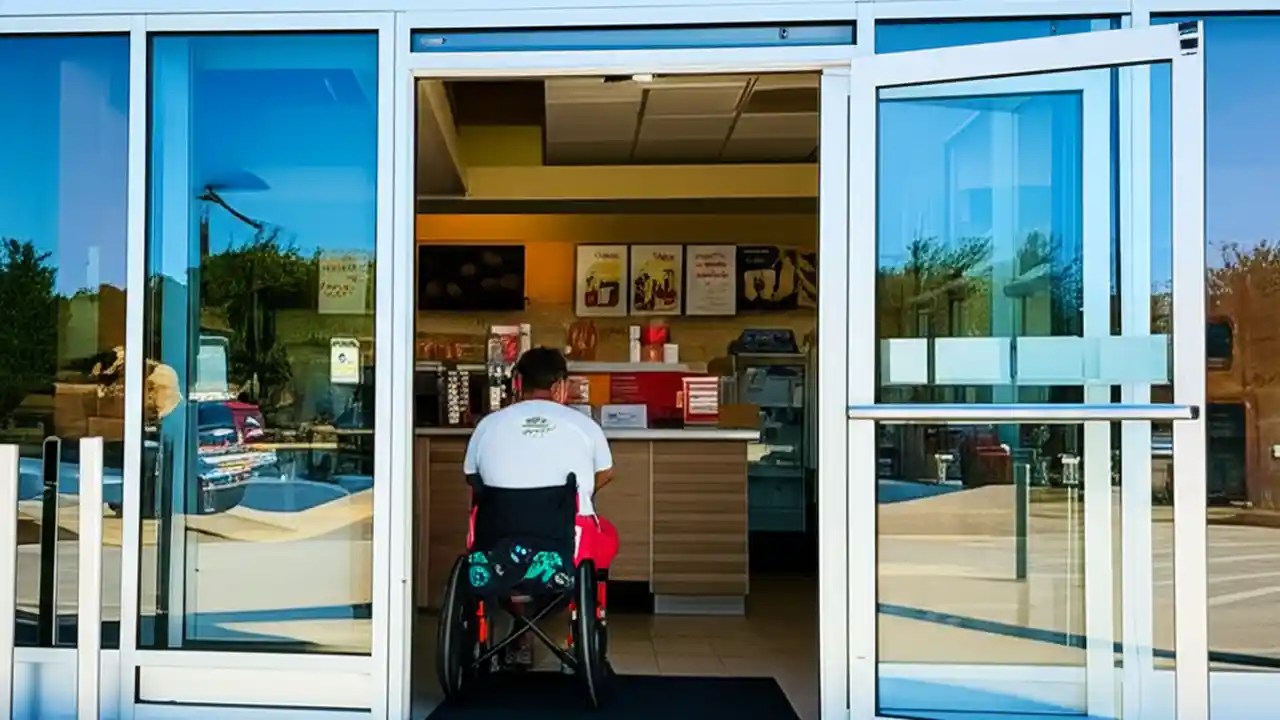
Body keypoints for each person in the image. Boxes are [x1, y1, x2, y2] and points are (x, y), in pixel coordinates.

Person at [462, 346, 620, 668]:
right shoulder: (585, 426)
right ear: (562, 385)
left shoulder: (488, 426)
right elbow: (605, 473)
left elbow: (472, 478)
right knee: (603, 539)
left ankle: (519, 633)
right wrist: (577, 495)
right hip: (562, 549)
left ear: (517, 383)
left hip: (498, 547)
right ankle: (577, 637)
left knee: (505, 553)